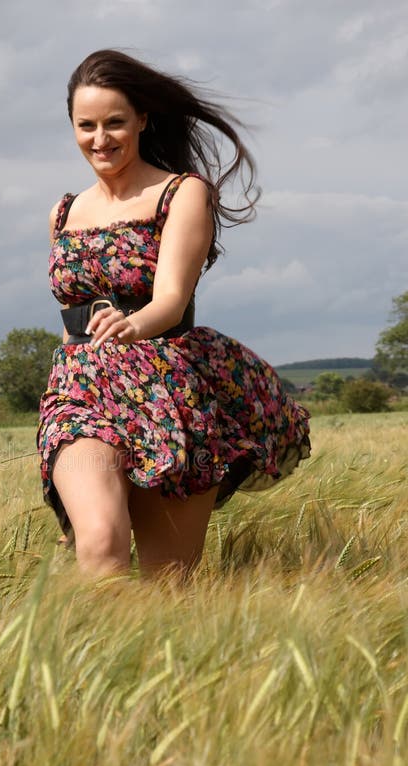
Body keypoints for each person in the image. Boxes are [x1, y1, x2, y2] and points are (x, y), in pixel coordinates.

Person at [37, 49, 310, 577]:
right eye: (85, 125)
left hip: (169, 392)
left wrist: (132, 326)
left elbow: (171, 299)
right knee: (99, 543)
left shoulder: (182, 194)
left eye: (115, 122)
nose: (100, 138)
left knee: (167, 582)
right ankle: (89, 656)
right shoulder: (63, 212)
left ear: (142, 119)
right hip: (82, 389)